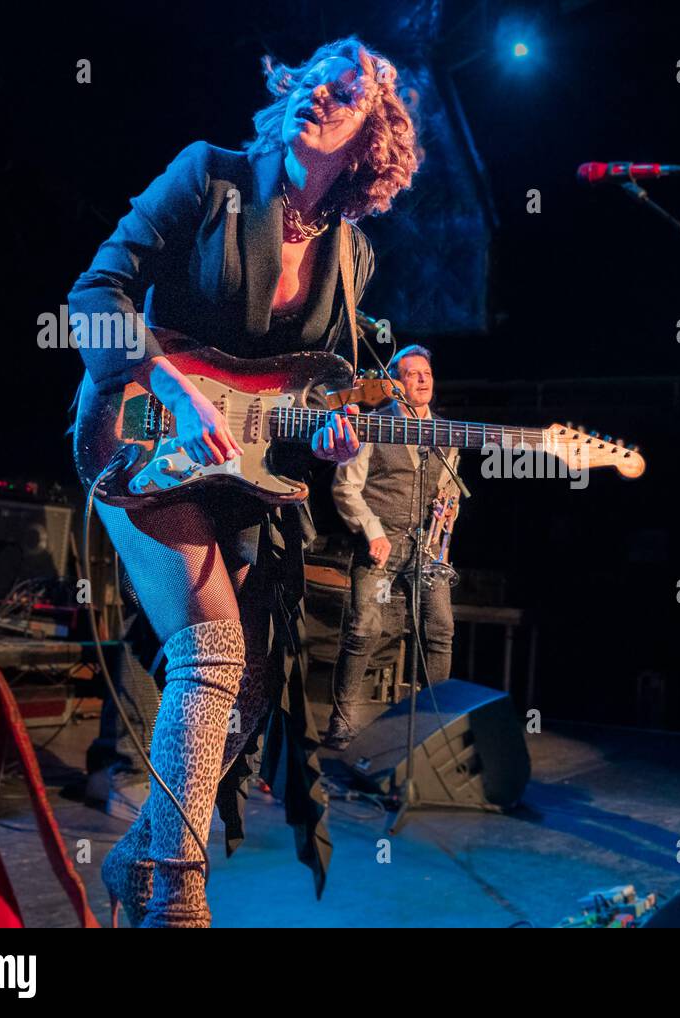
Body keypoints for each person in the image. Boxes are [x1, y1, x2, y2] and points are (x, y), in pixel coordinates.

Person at [67, 36, 419, 926]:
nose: (318, 96)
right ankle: (176, 898)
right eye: (311, 80)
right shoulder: (210, 175)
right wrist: (170, 386)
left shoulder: (352, 257)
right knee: (212, 650)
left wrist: (334, 441)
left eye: (345, 94)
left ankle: (136, 859)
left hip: (241, 477)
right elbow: (93, 295)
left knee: (252, 687)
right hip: (142, 431)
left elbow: (311, 403)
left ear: (372, 135)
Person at [326, 344, 459, 748]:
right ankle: (342, 720)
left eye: (427, 374)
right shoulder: (372, 426)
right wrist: (372, 531)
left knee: (440, 630)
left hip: (425, 550)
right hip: (380, 546)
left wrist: (448, 519)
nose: (422, 380)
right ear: (396, 385)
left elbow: (448, 490)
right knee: (365, 629)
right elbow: (345, 487)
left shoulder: (446, 434)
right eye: (412, 374)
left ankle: (436, 724)